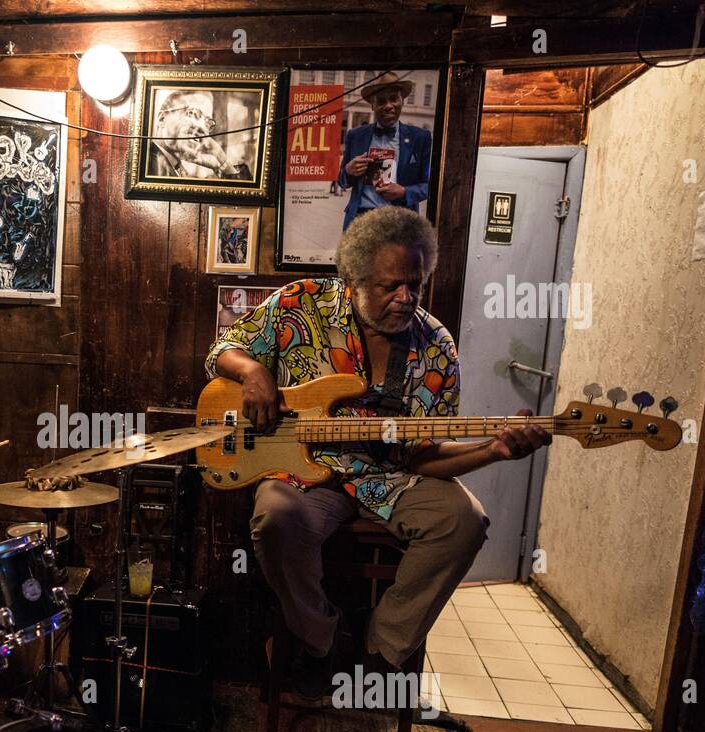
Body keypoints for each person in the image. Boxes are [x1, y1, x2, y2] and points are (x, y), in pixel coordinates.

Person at [205, 207, 550, 698]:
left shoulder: (436, 348)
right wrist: (252, 372)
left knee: (464, 519)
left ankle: (379, 651)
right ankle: (321, 638)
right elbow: (222, 348)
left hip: (391, 476)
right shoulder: (302, 303)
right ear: (353, 279)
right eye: (390, 286)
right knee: (275, 518)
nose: (405, 298)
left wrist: (493, 450)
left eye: (415, 284)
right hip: (308, 471)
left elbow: (423, 457)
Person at [337, 72, 431, 232]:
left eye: (394, 99)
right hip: (360, 222)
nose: (388, 105)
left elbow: (430, 185)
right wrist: (348, 171)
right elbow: (342, 181)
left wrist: (404, 192)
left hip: (401, 222)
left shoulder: (420, 138)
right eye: (381, 101)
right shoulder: (356, 135)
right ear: (372, 105)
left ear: (402, 100)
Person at [147, 90, 252, 180]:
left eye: (208, 122)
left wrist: (220, 160)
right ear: (162, 119)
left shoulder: (179, 168)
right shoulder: (147, 164)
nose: (201, 127)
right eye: (192, 113)